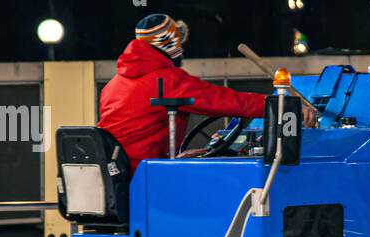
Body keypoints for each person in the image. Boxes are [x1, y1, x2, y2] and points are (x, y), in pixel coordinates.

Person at [98, 13, 317, 173]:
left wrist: (177, 157)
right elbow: (228, 101)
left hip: (119, 175)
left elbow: (134, 137)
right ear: (168, 41)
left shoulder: (112, 85)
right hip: (146, 177)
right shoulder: (167, 80)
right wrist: (285, 106)